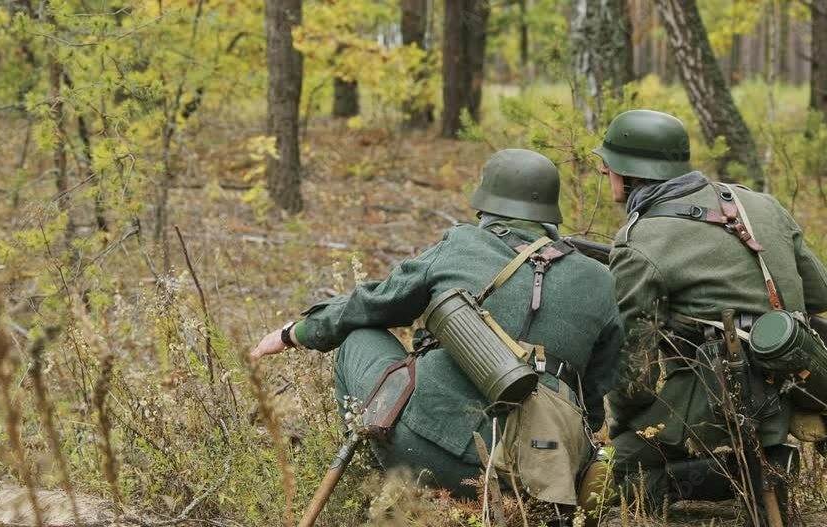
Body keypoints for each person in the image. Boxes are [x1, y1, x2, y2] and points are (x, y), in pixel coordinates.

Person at [251, 148, 624, 511]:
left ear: (486, 205)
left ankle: (382, 497)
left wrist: (294, 333)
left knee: (360, 339)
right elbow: (591, 403)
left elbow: (373, 304)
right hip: (537, 477)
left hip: (423, 448)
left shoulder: (463, 243)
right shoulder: (600, 280)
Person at [592, 109, 827, 510]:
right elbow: (820, 295)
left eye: (610, 164)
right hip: (791, 391)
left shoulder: (641, 241)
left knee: (617, 473)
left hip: (719, 399)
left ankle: (727, 477)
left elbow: (632, 373)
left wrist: (625, 431)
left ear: (633, 173)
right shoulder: (758, 203)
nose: (603, 171)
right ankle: (763, 459)